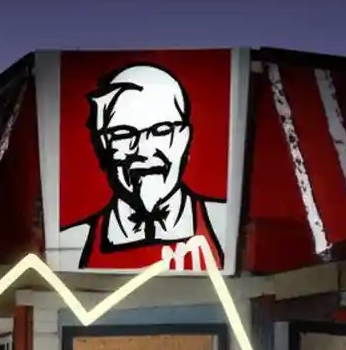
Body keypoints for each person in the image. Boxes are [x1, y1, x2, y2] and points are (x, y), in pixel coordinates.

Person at [62, 63, 227, 272]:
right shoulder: (72, 246)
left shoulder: (226, 227)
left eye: (161, 130)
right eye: (124, 134)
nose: (144, 151)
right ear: (104, 145)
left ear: (184, 139)